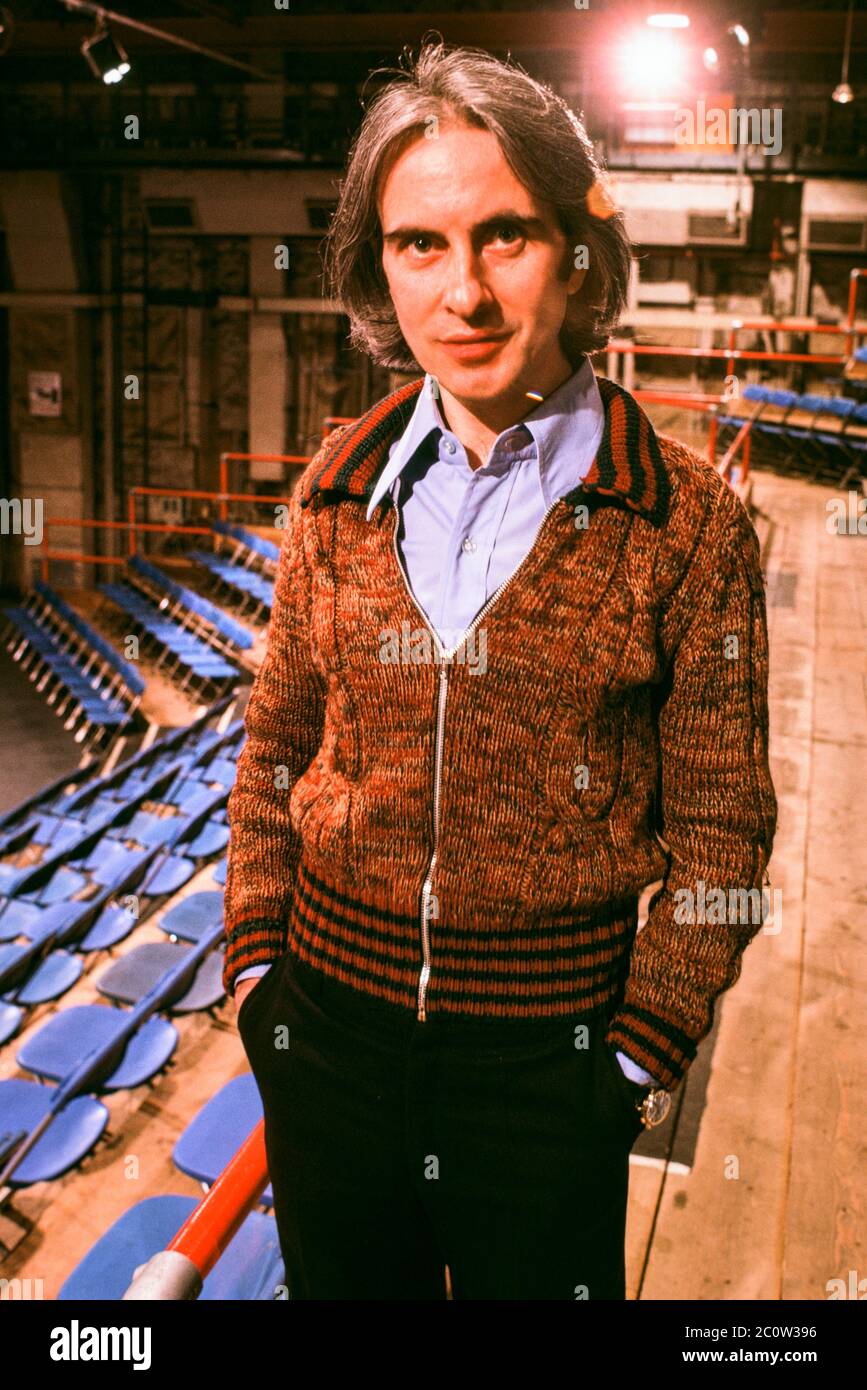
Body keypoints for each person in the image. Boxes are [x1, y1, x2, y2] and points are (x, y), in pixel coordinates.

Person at [222, 37, 777, 1301]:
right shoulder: (334, 487)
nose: (462, 291)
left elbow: (724, 834)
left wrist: (632, 1058)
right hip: (327, 1043)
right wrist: (260, 976)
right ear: (382, 269)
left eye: (505, 237)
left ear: (579, 262)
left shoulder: (683, 525)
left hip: (554, 1068)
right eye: (421, 243)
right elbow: (272, 749)